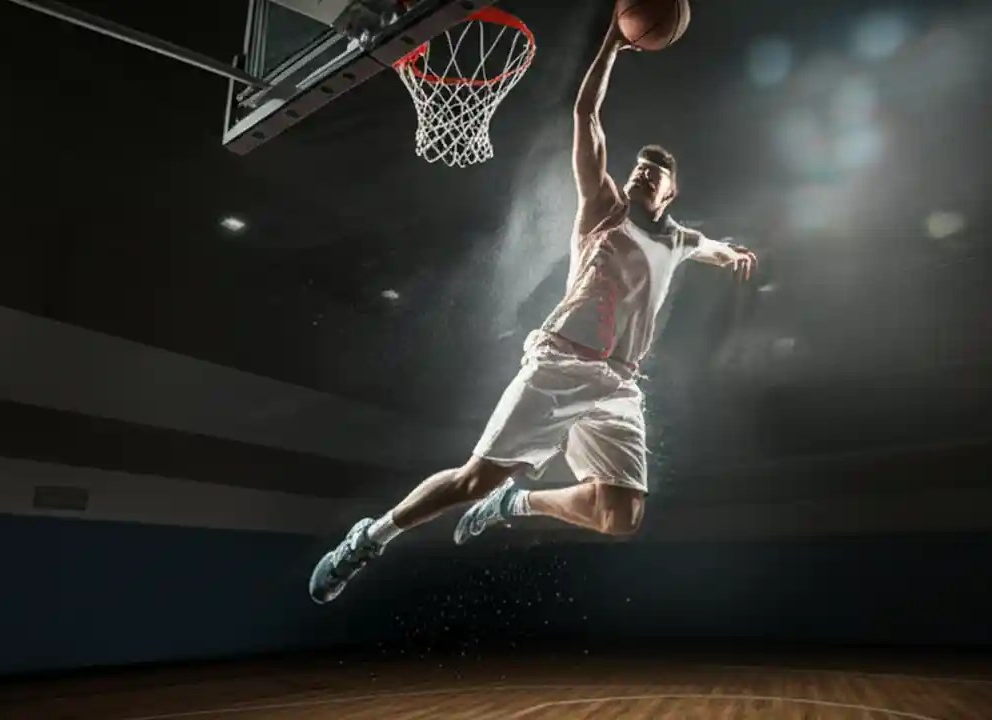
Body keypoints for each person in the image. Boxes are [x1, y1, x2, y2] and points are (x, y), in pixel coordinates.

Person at [309, 11, 757, 605]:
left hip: (619, 383)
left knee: (621, 517)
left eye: (655, 174)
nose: (643, 175)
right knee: (473, 479)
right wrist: (611, 45)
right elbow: (585, 114)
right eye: (639, 168)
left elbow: (709, 247)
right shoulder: (603, 208)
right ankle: (370, 539)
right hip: (559, 365)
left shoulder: (678, 239)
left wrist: (732, 256)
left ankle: (516, 503)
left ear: (671, 192)